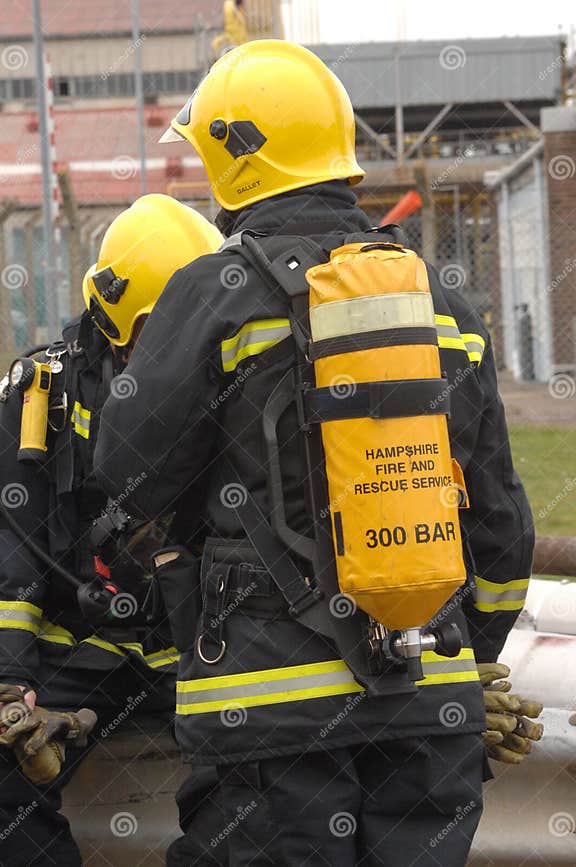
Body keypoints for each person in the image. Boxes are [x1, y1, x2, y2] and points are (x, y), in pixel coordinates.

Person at [94, 41, 535, 867]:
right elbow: (502, 528)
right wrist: (460, 656)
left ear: (234, 156)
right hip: (429, 708)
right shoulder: (437, 299)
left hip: (270, 718)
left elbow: (124, 473)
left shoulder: (213, 293)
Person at [0, 194, 222, 866]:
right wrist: (10, 682)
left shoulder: (240, 382)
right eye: (165, 328)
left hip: (207, 647)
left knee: (267, 783)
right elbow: (13, 549)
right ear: (117, 318)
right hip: (80, 648)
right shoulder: (41, 398)